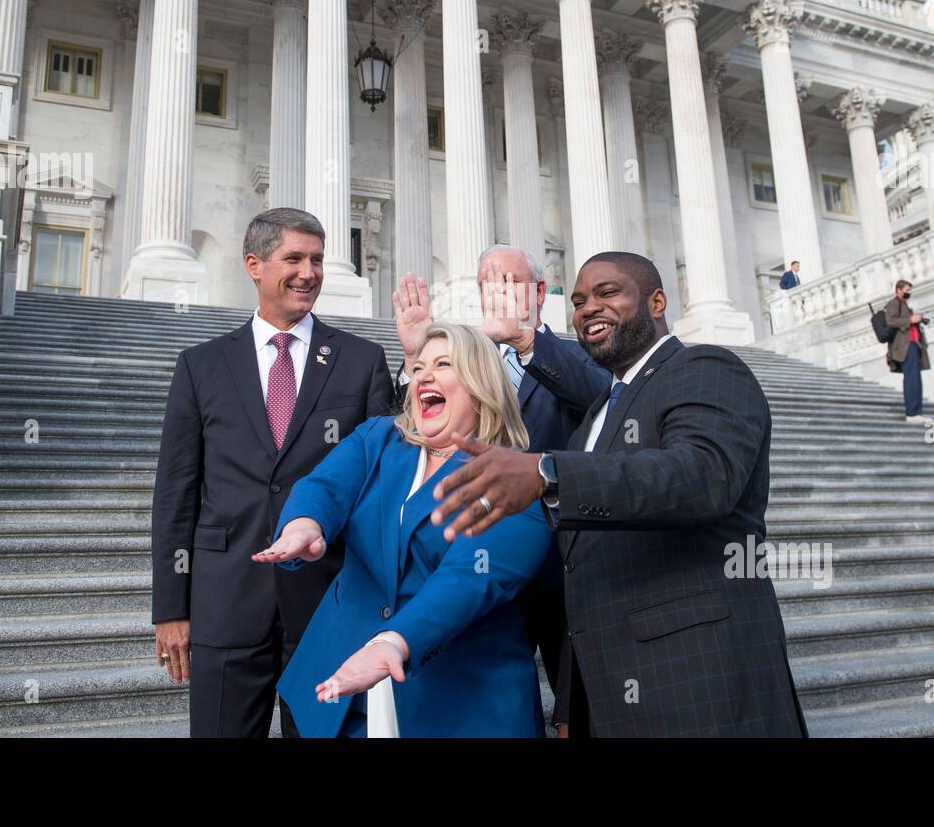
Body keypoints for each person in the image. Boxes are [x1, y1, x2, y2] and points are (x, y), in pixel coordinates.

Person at [424, 251, 809, 738]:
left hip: (700, 677)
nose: (587, 309)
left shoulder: (706, 367)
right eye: (579, 300)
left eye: (608, 294)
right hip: (607, 691)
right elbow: (583, 566)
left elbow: (704, 475)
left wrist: (547, 473)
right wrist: (570, 702)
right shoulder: (597, 416)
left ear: (657, 301)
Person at [150, 207, 396, 738]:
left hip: (329, 601)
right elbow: (176, 493)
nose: (309, 272)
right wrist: (171, 606)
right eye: (294, 258)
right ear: (254, 265)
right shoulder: (201, 366)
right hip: (225, 600)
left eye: (317, 259)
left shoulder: (361, 360)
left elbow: (382, 481)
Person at [253, 324, 552, 737]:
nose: (424, 376)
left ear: (482, 385)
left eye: (444, 365)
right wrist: (305, 523)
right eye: (420, 366)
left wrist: (393, 641)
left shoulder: (517, 479)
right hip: (338, 687)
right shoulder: (379, 437)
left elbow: (466, 581)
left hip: (457, 704)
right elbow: (325, 486)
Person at [390, 247, 610, 721]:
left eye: (508, 282)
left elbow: (600, 401)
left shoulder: (576, 356)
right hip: (473, 557)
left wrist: (527, 342)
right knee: (485, 694)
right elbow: (410, 430)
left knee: (578, 704)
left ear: (536, 292)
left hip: (558, 565)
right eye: (488, 284)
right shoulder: (462, 361)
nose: (498, 294)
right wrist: (414, 358)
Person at [884, 278, 929, 423]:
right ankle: (911, 413)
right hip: (904, 345)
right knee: (911, 378)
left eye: (910, 290)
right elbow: (890, 321)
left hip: (914, 343)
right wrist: (910, 320)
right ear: (898, 290)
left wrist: (917, 319)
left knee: (915, 378)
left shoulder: (905, 305)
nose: (909, 293)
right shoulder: (893, 304)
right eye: (906, 290)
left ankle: (917, 412)